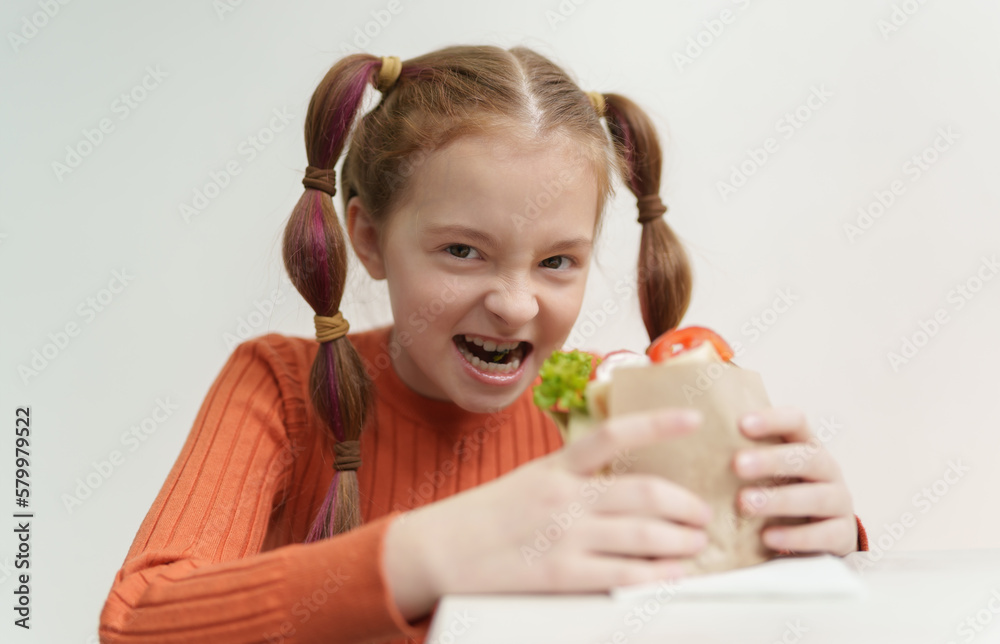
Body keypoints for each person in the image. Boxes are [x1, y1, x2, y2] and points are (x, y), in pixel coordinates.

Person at [98, 45, 867, 644]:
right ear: (368, 239)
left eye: (557, 261)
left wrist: (811, 536)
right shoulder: (282, 386)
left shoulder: (610, 406)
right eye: (463, 251)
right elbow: (137, 623)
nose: (515, 302)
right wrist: (431, 551)